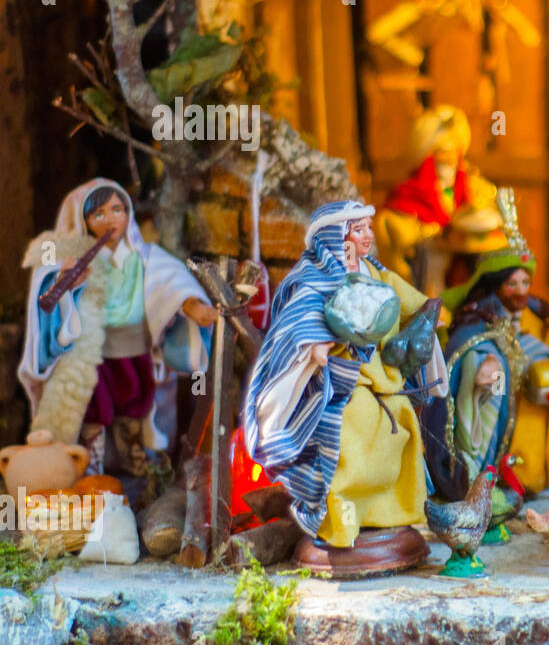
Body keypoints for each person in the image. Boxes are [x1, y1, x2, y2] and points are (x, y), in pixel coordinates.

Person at [242, 200, 449, 558]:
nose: (368, 235)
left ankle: (388, 516)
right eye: (359, 229)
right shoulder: (313, 279)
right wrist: (317, 346)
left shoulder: (377, 273)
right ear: (336, 236)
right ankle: (342, 521)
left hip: (385, 385)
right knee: (350, 439)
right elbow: (297, 324)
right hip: (337, 388)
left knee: (402, 427)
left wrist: (428, 314)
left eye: (369, 227)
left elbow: (409, 301)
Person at [19, 179, 215, 475]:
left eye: (117, 210)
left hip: (135, 348)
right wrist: (69, 282)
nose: (110, 219)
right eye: (98, 214)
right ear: (84, 221)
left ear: (128, 213)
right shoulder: (80, 259)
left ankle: (136, 458)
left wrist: (191, 305)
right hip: (97, 354)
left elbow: (171, 282)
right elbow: (51, 294)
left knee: (135, 401)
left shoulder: (143, 256)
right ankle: (90, 462)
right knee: (95, 409)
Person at [435, 189, 549, 498]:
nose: (521, 291)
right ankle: (478, 475)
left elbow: (534, 343)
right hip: (491, 392)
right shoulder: (478, 317)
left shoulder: (530, 315)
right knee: (490, 405)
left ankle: (537, 465)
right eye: (512, 284)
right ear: (497, 287)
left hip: (525, 407)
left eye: (525, 283)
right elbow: (467, 346)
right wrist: (487, 364)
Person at [372, 105, 503, 295]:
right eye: (442, 152)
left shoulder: (472, 186)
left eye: (453, 152)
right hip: (430, 271)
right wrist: (427, 233)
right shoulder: (408, 195)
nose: (448, 159)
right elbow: (397, 234)